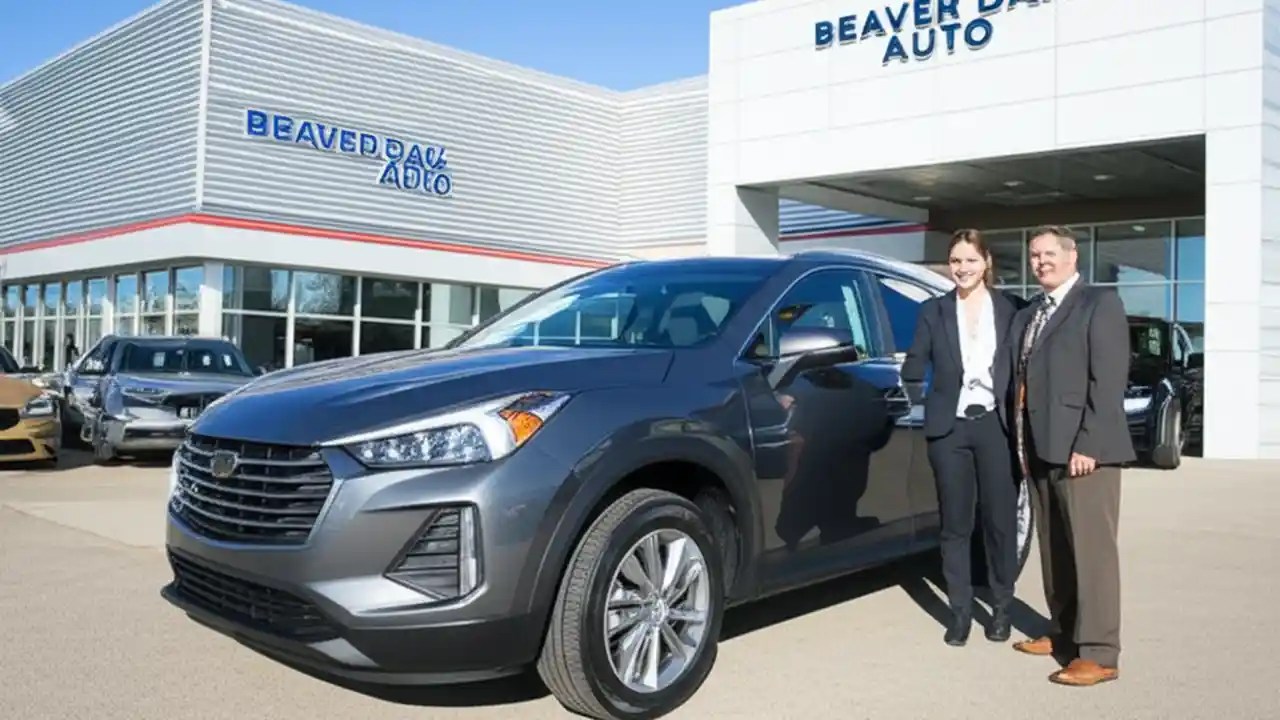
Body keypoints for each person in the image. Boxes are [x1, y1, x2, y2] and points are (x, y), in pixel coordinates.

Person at [1008, 225, 1134, 687]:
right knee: (1055, 549)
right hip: (1041, 447)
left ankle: (1099, 652)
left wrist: (1090, 443)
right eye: (1035, 255)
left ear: (1071, 255)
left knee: (1092, 553)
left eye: (1049, 253)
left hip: (1085, 452)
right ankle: (1062, 633)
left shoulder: (1098, 304)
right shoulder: (1030, 314)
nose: (1041, 261)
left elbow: (1108, 380)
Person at [902, 229, 1021, 647]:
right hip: (948, 429)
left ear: (986, 262)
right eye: (955, 261)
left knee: (1000, 522)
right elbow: (915, 362)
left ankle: (1002, 609)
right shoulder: (932, 311)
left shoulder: (1010, 310)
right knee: (955, 524)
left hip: (996, 426)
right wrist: (914, 388)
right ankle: (960, 612)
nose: (962, 269)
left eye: (970, 260)